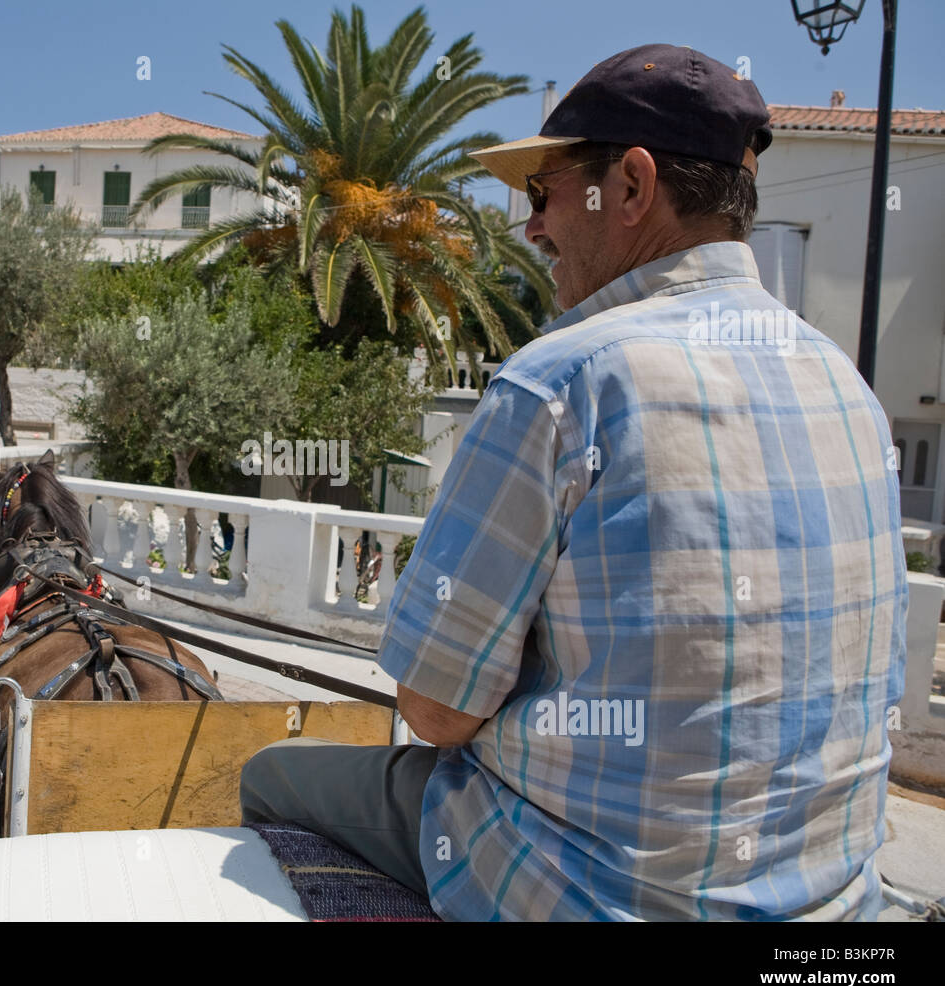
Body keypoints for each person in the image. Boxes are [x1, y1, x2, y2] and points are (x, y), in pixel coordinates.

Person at [239, 43, 907, 921]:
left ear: (630, 186)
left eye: (542, 192)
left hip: (585, 891)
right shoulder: (850, 389)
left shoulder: (560, 383)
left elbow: (434, 711)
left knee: (272, 774)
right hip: (834, 904)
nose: (533, 227)